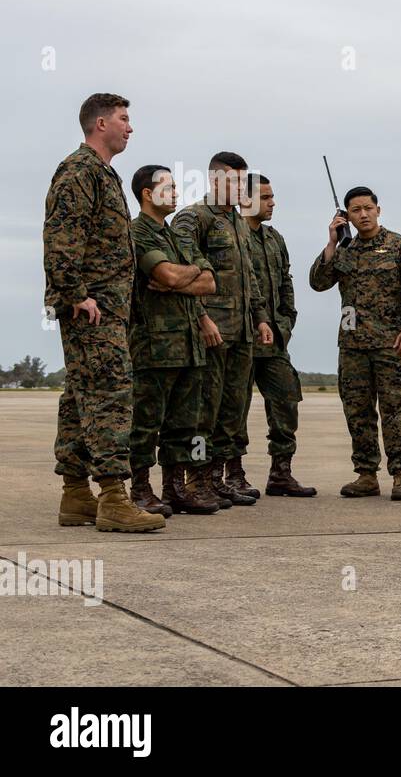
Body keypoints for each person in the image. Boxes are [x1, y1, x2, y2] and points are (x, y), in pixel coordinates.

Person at [43, 92, 163, 532]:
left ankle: (76, 495)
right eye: (124, 119)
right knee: (111, 397)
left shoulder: (104, 175)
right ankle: (114, 498)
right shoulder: (79, 171)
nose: (130, 128)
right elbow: (61, 236)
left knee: (80, 399)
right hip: (92, 310)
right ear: (100, 124)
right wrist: (76, 294)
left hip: (107, 308)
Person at [309, 186, 401, 501]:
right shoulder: (344, 251)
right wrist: (332, 243)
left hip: (392, 343)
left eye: (367, 208)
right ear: (346, 216)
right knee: (358, 411)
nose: (363, 214)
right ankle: (366, 475)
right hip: (352, 346)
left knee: (396, 410)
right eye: (355, 210)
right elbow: (318, 282)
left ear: (378, 209)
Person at [173, 152, 274, 509]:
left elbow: (252, 279)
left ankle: (218, 478)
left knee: (233, 411)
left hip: (242, 332)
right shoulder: (194, 218)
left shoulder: (239, 222)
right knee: (205, 410)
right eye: (232, 181)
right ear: (215, 180)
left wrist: (261, 318)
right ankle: (196, 479)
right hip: (212, 332)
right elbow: (185, 275)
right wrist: (201, 318)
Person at [127, 164, 219, 516]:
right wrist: (181, 275)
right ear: (148, 194)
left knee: (185, 424)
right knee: (146, 423)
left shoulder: (178, 237)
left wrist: (183, 277)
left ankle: (175, 487)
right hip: (155, 345)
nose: (177, 192)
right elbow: (164, 273)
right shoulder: (137, 233)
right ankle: (139, 488)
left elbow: (210, 282)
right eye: (169, 187)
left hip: (189, 343)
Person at [235, 173, 316, 497]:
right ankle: (232, 474)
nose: (272, 203)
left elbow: (286, 283)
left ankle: (281, 473)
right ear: (245, 199)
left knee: (286, 401)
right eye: (265, 198)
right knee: (234, 411)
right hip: (240, 339)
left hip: (275, 342)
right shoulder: (233, 235)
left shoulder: (274, 239)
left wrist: (286, 323)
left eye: (272, 197)